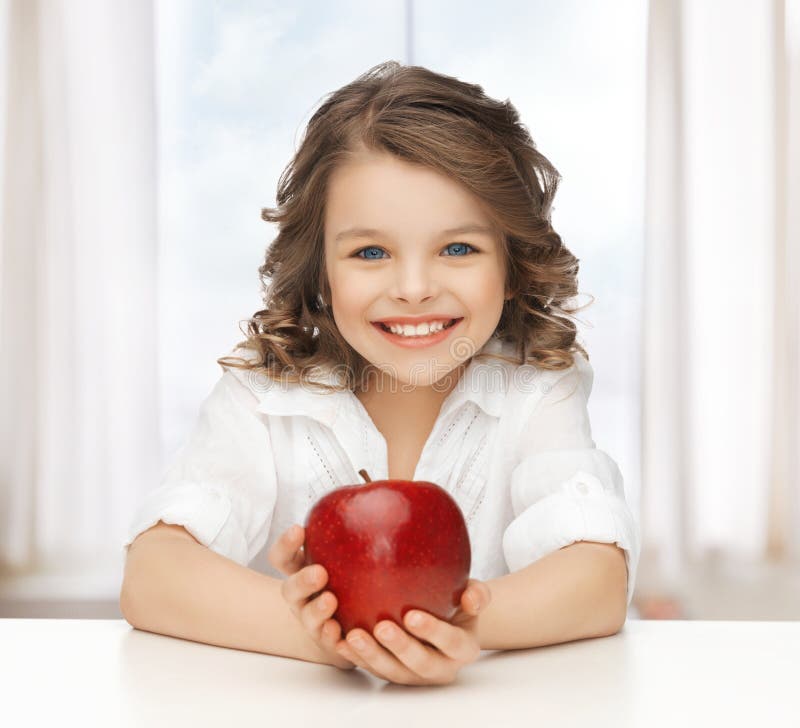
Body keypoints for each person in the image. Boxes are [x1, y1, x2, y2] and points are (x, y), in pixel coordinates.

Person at [120, 60, 640, 686]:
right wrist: (328, 632)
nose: (415, 289)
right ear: (320, 270)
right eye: (371, 252)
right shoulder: (265, 391)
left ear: (511, 266)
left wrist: (453, 627)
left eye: (458, 249)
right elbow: (153, 575)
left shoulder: (535, 384)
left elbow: (597, 580)